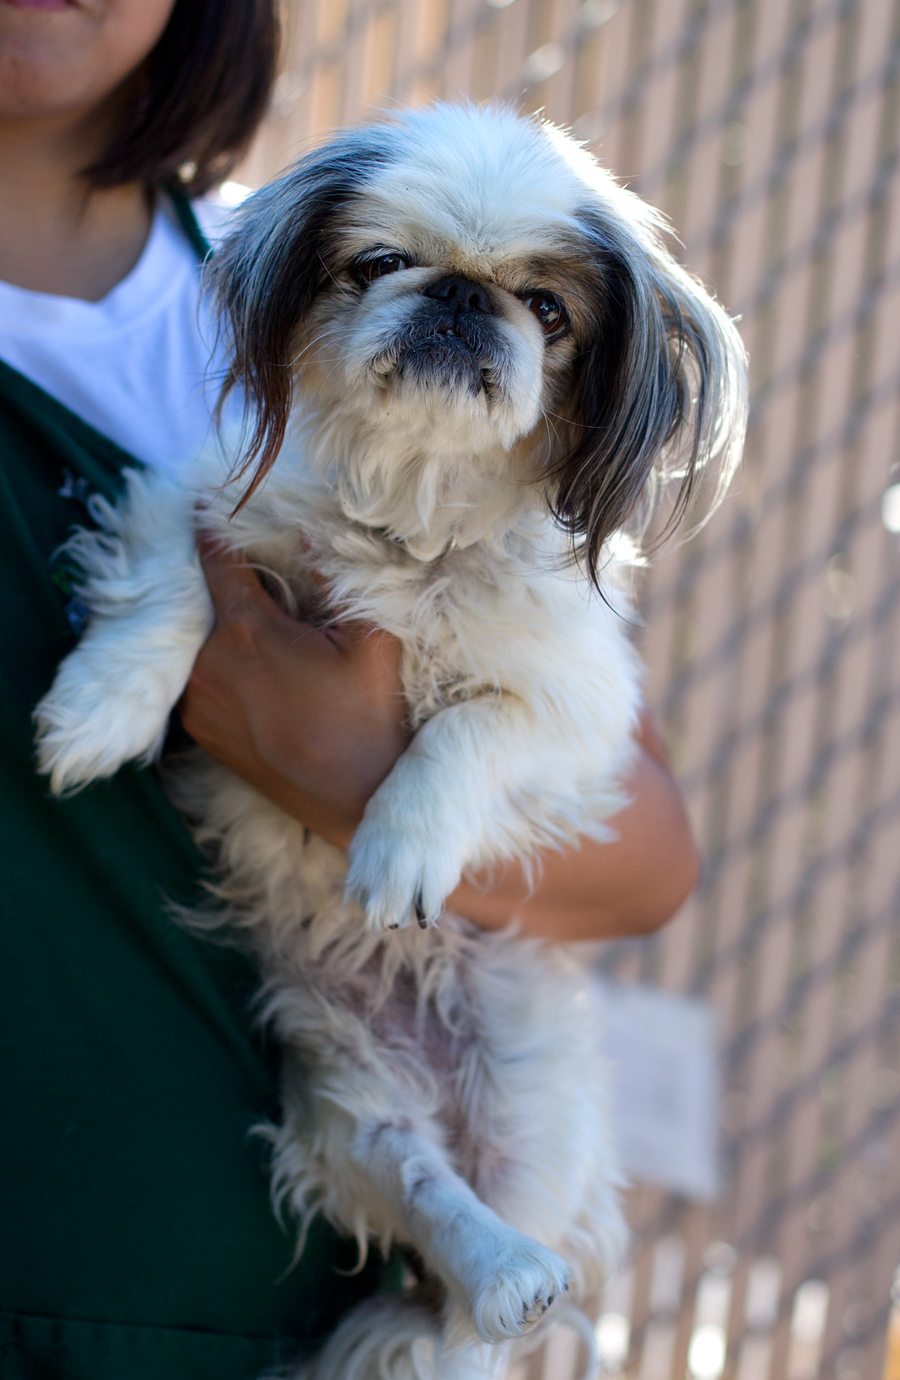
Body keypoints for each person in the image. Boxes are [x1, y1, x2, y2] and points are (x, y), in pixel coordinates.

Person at [0, 2, 700, 1378]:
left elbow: (651, 853)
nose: (461, 309)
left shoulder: (257, 272)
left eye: (538, 306)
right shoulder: (288, 282)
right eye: (391, 268)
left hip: (277, 1294)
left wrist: (349, 767)